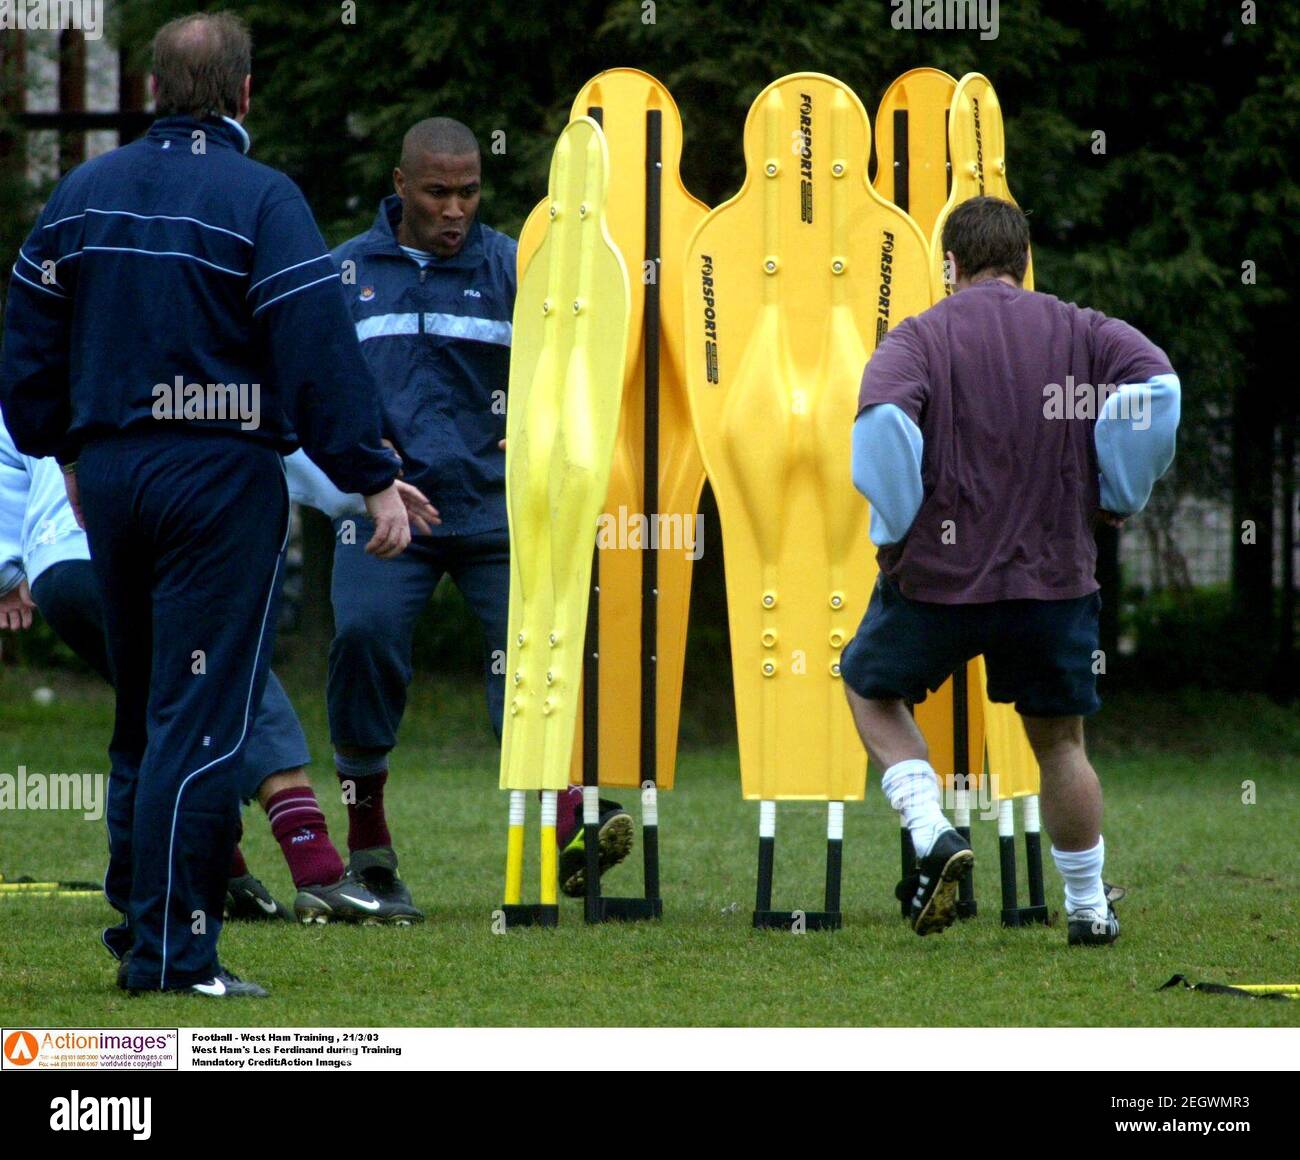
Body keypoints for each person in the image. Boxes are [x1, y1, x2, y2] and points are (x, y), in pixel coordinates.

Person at [0, 11, 436, 997]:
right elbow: (317, 358)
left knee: (145, 717)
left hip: (107, 482)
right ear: (245, 94)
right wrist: (368, 475)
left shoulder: (80, 192)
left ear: (153, 91)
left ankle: (137, 920)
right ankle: (175, 952)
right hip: (218, 480)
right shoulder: (263, 199)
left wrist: (65, 441)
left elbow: (26, 342)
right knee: (203, 717)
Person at [841, 196, 1180, 942]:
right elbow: (1160, 393)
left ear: (950, 265)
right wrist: (1119, 488)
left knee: (869, 687)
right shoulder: (1083, 331)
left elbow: (883, 427)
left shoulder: (919, 338)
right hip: (1053, 579)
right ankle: (1090, 911)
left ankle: (930, 829)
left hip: (937, 578)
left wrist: (895, 528)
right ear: (1024, 262)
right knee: (1059, 745)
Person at [326, 117, 631, 915]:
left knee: (536, 659)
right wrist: (370, 470)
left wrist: (533, 416)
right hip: (390, 509)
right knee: (363, 638)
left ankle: (567, 829)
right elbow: (316, 388)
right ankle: (369, 846)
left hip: (499, 508)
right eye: (437, 193)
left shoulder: (515, 267)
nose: (454, 208)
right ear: (401, 187)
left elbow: (574, 362)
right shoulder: (346, 273)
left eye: (468, 192)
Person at [0, 414, 421, 928]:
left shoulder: (65, 349)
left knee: (166, 713)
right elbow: (272, 433)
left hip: (60, 571)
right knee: (237, 686)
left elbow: (9, 443)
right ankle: (320, 872)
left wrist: (8, 566)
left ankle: (215, 874)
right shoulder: (188, 344)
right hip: (149, 547)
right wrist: (365, 490)